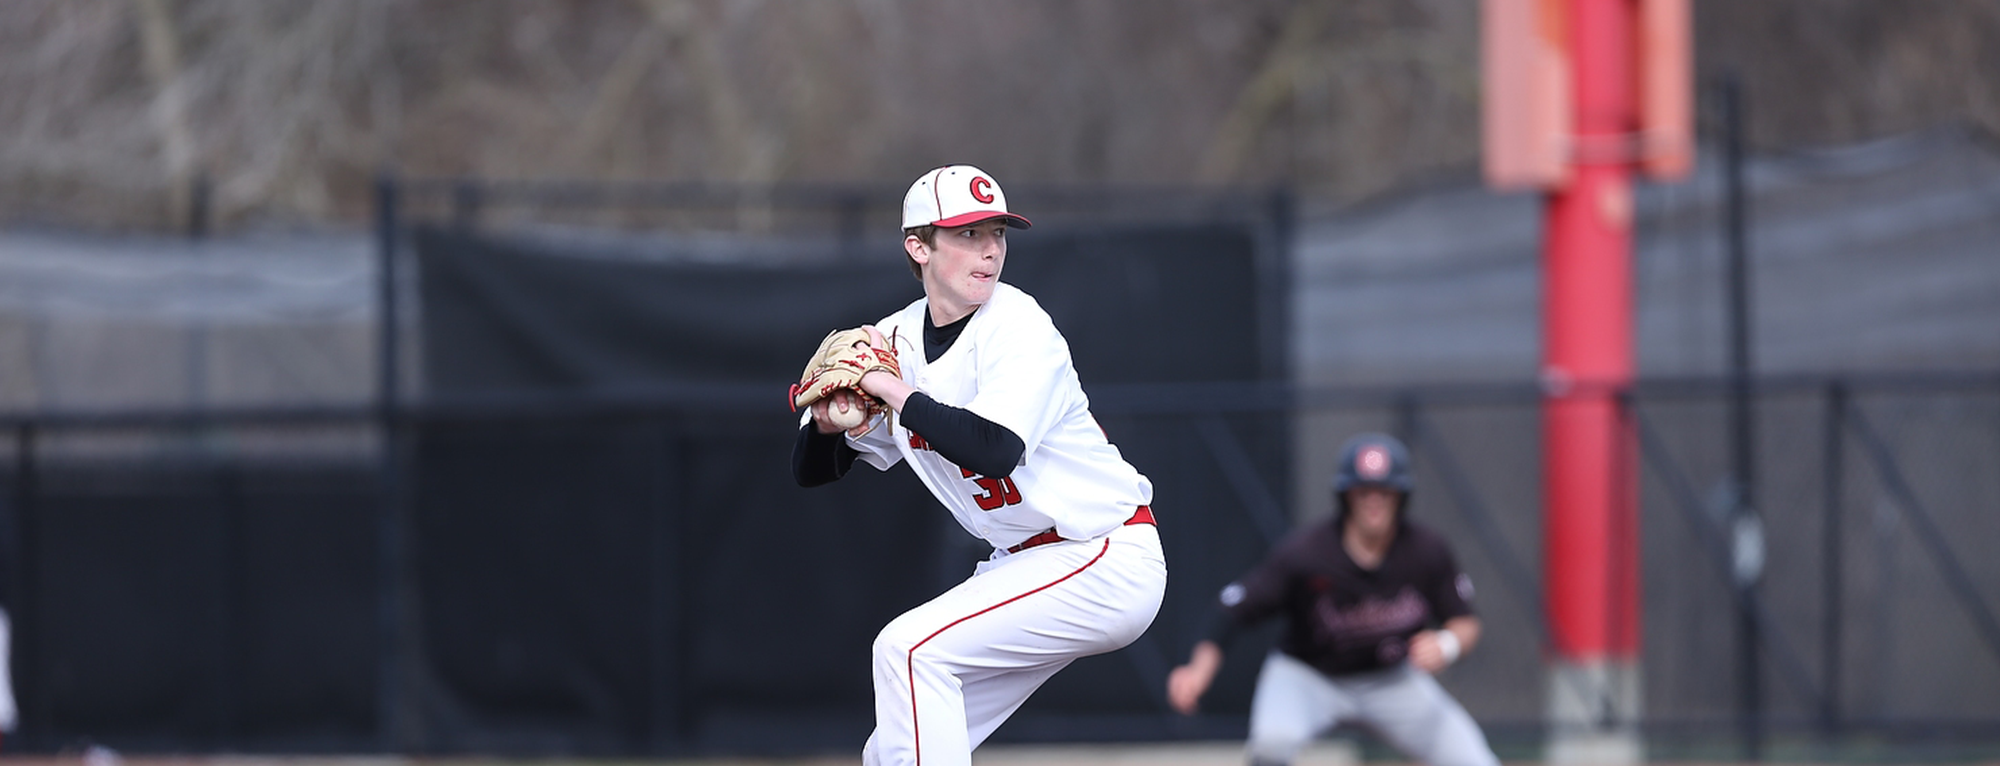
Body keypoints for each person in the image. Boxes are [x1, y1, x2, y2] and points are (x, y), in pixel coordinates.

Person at [790, 164, 1168, 766]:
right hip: (1022, 564)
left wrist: (890, 393)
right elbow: (812, 469)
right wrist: (835, 424)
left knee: (908, 650)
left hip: (1103, 553)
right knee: (895, 745)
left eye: (997, 233)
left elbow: (994, 450)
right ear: (919, 246)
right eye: (968, 234)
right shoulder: (893, 339)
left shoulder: (1019, 325)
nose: (990, 250)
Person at [1166, 432, 1499, 766]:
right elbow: (1232, 611)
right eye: (1364, 491)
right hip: (1309, 676)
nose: (1375, 501)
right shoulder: (1308, 553)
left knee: (1471, 758)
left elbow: (1466, 622)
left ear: (1401, 496)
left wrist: (1447, 644)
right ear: (1346, 496)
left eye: (1385, 491)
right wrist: (1197, 671)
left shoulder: (1425, 550)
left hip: (1391, 679)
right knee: (1272, 746)